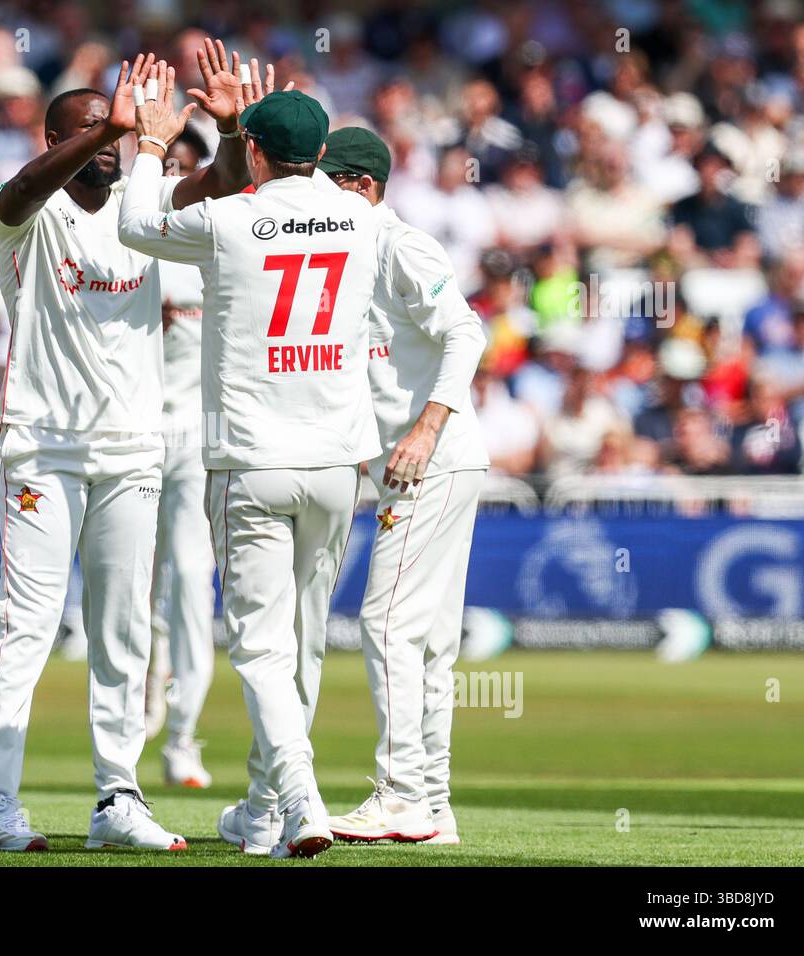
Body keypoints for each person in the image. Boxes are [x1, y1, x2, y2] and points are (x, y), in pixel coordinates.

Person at [0, 42, 273, 854]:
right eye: (91, 127)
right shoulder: (27, 213)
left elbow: (221, 185)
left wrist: (231, 129)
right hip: (45, 447)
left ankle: (118, 801)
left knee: (124, 632)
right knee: (25, 628)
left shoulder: (145, 201)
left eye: (118, 125)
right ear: (55, 139)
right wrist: (111, 132)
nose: (113, 135)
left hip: (134, 449)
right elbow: (21, 189)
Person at [120, 86, 381, 858]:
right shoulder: (364, 217)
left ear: (254, 152)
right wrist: (242, 129)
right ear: (323, 155)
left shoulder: (230, 219)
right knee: (304, 639)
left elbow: (135, 225)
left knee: (263, 646)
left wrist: (151, 147)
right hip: (336, 460)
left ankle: (299, 797)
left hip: (251, 458)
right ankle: (265, 810)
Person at [316, 128, 488, 847]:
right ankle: (434, 805)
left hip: (432, 460)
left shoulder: (401, 245)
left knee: (385, 624)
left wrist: (425, 429)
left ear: (361, 186)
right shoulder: (347, 250)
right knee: (430, 643)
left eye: (326, 183)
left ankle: (400, 796)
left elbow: (467, 333)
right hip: (413, 465)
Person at [143, 128, 216, 790]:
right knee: (133, 583)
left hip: (197, 433)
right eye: (162, 163)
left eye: (182, 167)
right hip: (133, 431)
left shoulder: (218, 245)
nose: (171, 176)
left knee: (192, 578)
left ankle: (184, 736)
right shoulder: (125, 239)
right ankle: (137, 713)